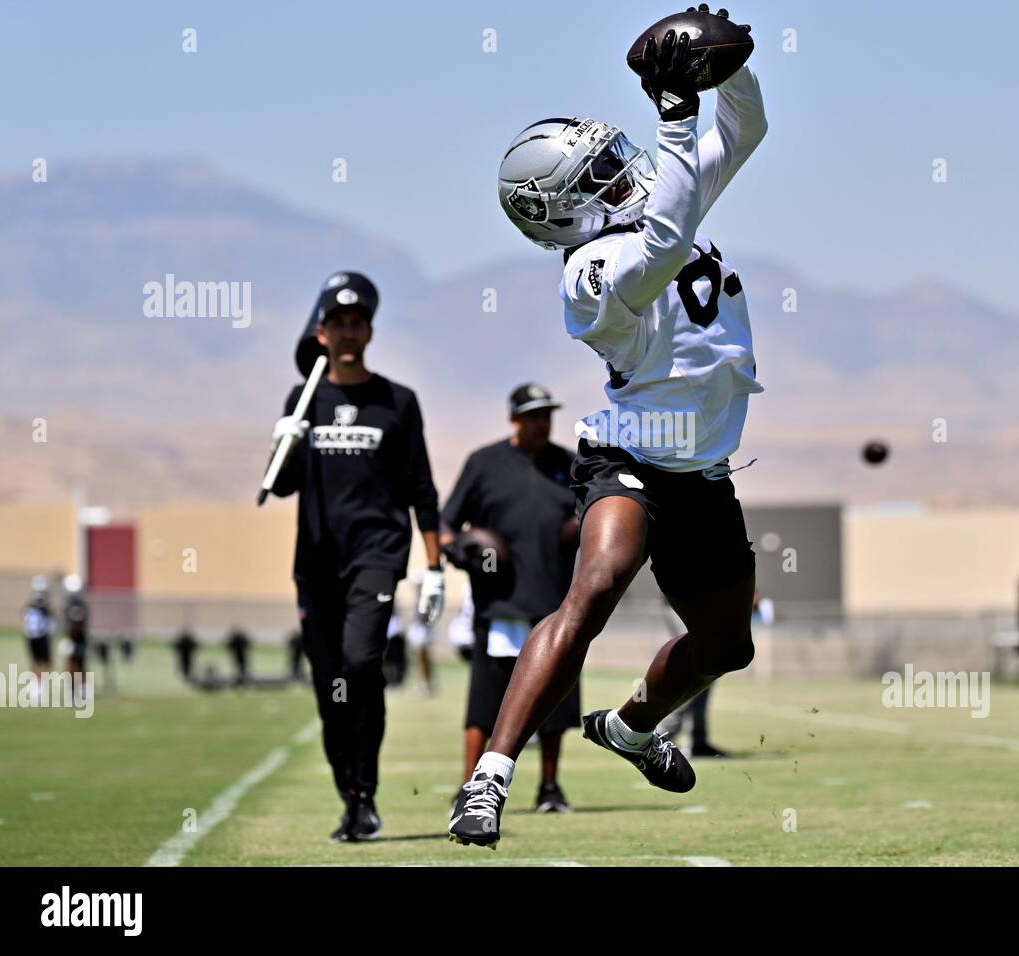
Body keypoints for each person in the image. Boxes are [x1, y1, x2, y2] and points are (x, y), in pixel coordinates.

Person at [451, 6, 766, 846]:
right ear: (561, 210)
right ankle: (489, 781)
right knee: (593, 590)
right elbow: (663, 238)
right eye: (597, 173)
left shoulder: (656, 199)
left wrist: (719, 69)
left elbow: (749, 124)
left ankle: (628, 727)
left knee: (727, 647)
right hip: (627, 452)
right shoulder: (588, 270)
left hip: (702, 470)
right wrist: (672, 112)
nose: (620, 172)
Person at [270, 270, 446, 843]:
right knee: (329, 688)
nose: (348, 333)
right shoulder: (303, 399)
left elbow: (422, 488)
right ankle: (348, 793)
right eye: (338, 324)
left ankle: (366, 793)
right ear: (321, 333)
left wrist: (435, 567)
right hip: (316, 564)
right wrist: (287, 441)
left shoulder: (397, 402)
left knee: (361, 664)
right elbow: (282, 486)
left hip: (376, 557)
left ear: (369, 332)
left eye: (357, 323)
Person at [442, 384, 581, 815]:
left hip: (555, 605)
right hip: (499, 604)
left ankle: (550, 788)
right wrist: (460, 550)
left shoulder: (570, 466)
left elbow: (595, 517)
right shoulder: (484, 464)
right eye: (533, 415)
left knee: (555, 703)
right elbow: (447, 524)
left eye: (547, 415)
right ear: (514, 418)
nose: (542, 423)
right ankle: (469, 786)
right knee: (485, 704)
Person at [22, 575, 54, 704]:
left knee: (35, 662)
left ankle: (34, 688)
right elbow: (49, 621)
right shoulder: (44, 605)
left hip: (30, 637)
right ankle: (38, 690)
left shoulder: (30, 604)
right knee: (45, 664)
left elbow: (24, 617)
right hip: (41, 637)